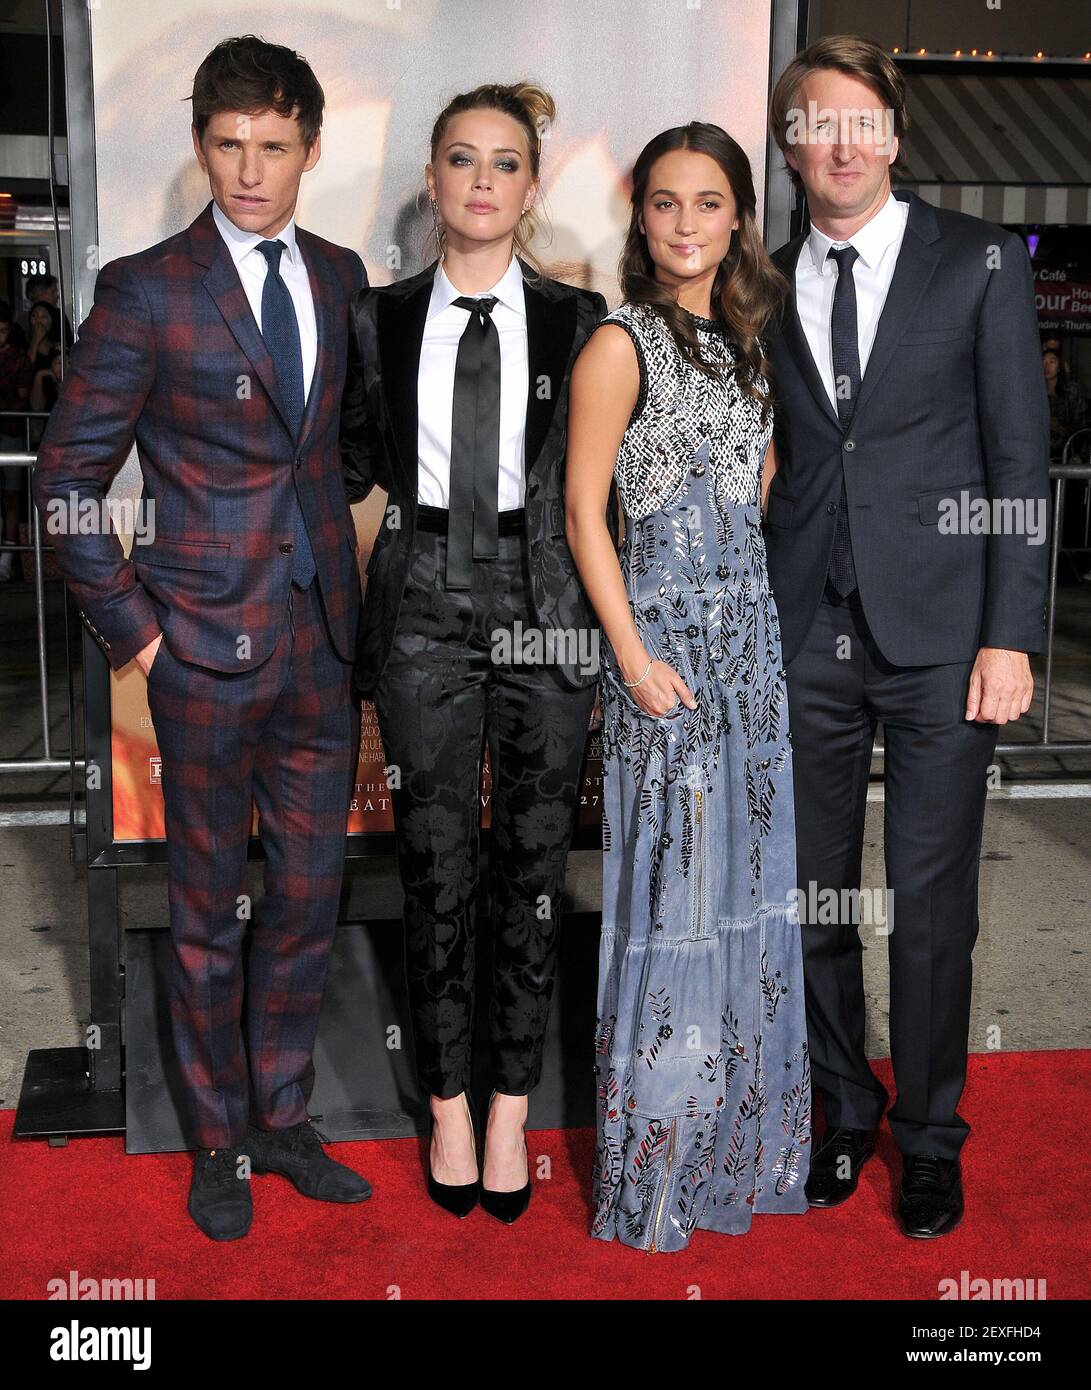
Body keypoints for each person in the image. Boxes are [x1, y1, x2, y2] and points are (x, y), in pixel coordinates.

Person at [33, 34, 371, 1241]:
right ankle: (216, 1137)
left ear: (309, 150)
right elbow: (68, 482)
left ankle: (281, 1115)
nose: (247, 169)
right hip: (197, 651)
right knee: (202, 907)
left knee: (307, 897)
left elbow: (336, 452)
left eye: (272, 146)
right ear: (200, 146)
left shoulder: (338, 275)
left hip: (321, 643)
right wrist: (137, 634)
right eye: (227, 144)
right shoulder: (145, 285)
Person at [765, 35, 1050, 1238]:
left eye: (857, 121)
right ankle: (843, 1108)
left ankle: (928, 1136)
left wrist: (1008, 633)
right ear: (790, 145)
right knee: (811, 893)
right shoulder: (759, 277)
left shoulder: (973, 259)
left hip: (943, 637)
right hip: (803, 627)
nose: (836, 143)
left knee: (932, 902)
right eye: (811, 122)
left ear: (892, 133)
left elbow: (1015, 456)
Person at [341, 81, 609, 1224]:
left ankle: (511, 1103)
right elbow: (357, 474)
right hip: (422, 607)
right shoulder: (379, 318)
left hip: (544, 596)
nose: (483, 181)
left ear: (531, 185)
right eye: (462, 160)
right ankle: (445, 1102)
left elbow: (600, 486)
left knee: (533, 870)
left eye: (505, 163)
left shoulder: (579, 319)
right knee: (436, 861)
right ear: (432, 180)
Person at [566, 122, 811, 1253]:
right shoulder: (619, 343)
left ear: (736, 219)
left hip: (746, 658)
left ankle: (729, 1151)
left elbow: (755, 500)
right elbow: (584, 515)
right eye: (664, 203)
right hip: (658, 660)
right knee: (671, 902)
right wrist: (630, 658)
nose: (683, 224)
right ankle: (655, 1170)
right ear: (641, 216)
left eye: (707, 204)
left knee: (739, 892)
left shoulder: (748, 342)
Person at [0, 305, 34, 581]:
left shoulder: (18, 358)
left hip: (11, 430)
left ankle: (7, 559)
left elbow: (23, 397)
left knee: (12, 496)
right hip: (10, 428)